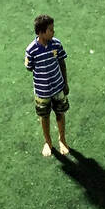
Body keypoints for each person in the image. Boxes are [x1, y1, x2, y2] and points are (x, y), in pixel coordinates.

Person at [25, 14, 70, 157]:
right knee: (44, 117)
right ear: (41, 32)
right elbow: (29, 67)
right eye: (50, 30)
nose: (53, 32)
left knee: (60, 112)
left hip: (58, 86)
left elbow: (62, 62)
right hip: (42, 91)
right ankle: (48, 142)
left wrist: (65, 83)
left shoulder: (56, 44)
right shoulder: (31, 50)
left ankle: (62, 139)